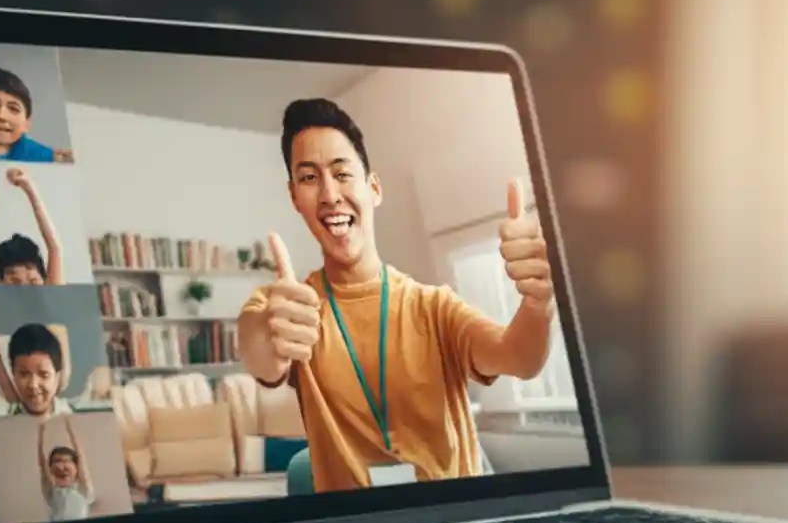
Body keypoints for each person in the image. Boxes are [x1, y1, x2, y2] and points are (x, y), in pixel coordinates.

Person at [238, 98, 555, 493]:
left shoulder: (434, 307)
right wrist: (266, 335)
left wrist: (538, 303)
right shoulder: (289, 308)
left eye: (342, 173)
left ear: (373, 188)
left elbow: (520, 357)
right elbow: (259, 351)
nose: (329, 194)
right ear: (294, 198)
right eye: (308, 178)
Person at [0, 167, 64, 285]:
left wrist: (30, 188)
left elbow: (55, 249)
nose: (24, 288)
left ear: (42, 279)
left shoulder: (50, 292)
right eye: (15, 282)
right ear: (2, 281)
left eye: (33, 282)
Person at [0, 323, 73, 417]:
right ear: (13, 374)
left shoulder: (75, 418)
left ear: (57, 377)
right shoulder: (1, 424)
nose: (33, 384)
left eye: (43, 375)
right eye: (24, 374)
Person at [38, 418, 94, 522]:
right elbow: (42, 464)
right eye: (57, 461)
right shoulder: (51, 491)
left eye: (67, 461)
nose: (62, 467)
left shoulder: (84, 490)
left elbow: (81, 458)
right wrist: (41, 432)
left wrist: (70, 428)